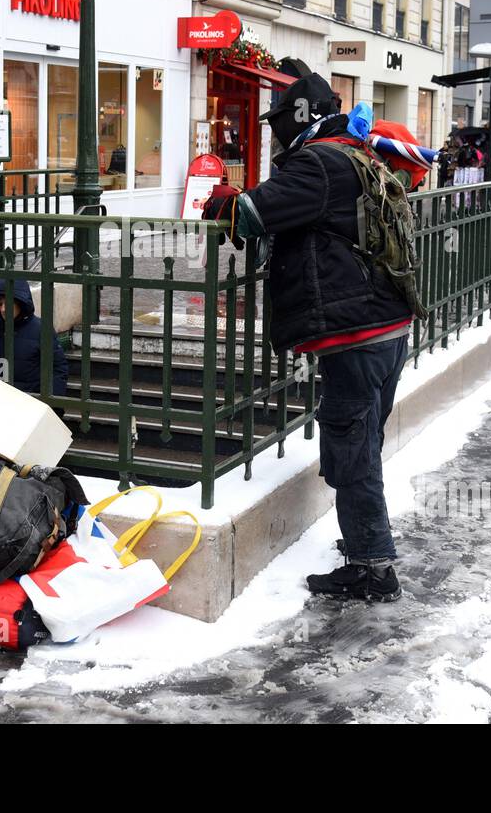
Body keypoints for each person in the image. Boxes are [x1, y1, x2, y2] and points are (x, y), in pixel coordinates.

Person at [202, 61, 427, 603]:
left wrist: (226, 199)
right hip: (386, 326)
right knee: (363, 444)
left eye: (278, 123)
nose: (276, 133)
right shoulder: (357, 153)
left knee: (352, 453)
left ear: (297, 119)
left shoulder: (316, 164)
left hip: (356, 332)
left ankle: (373, 568)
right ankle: (365, 550)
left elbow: (254, 213)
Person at [0, 279, 68, 410]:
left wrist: (52, 407)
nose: (3, 309)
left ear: (20, 303)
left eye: (7, 303)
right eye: (0, 304)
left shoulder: (41, 329)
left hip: (29, 407)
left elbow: (58, 369)